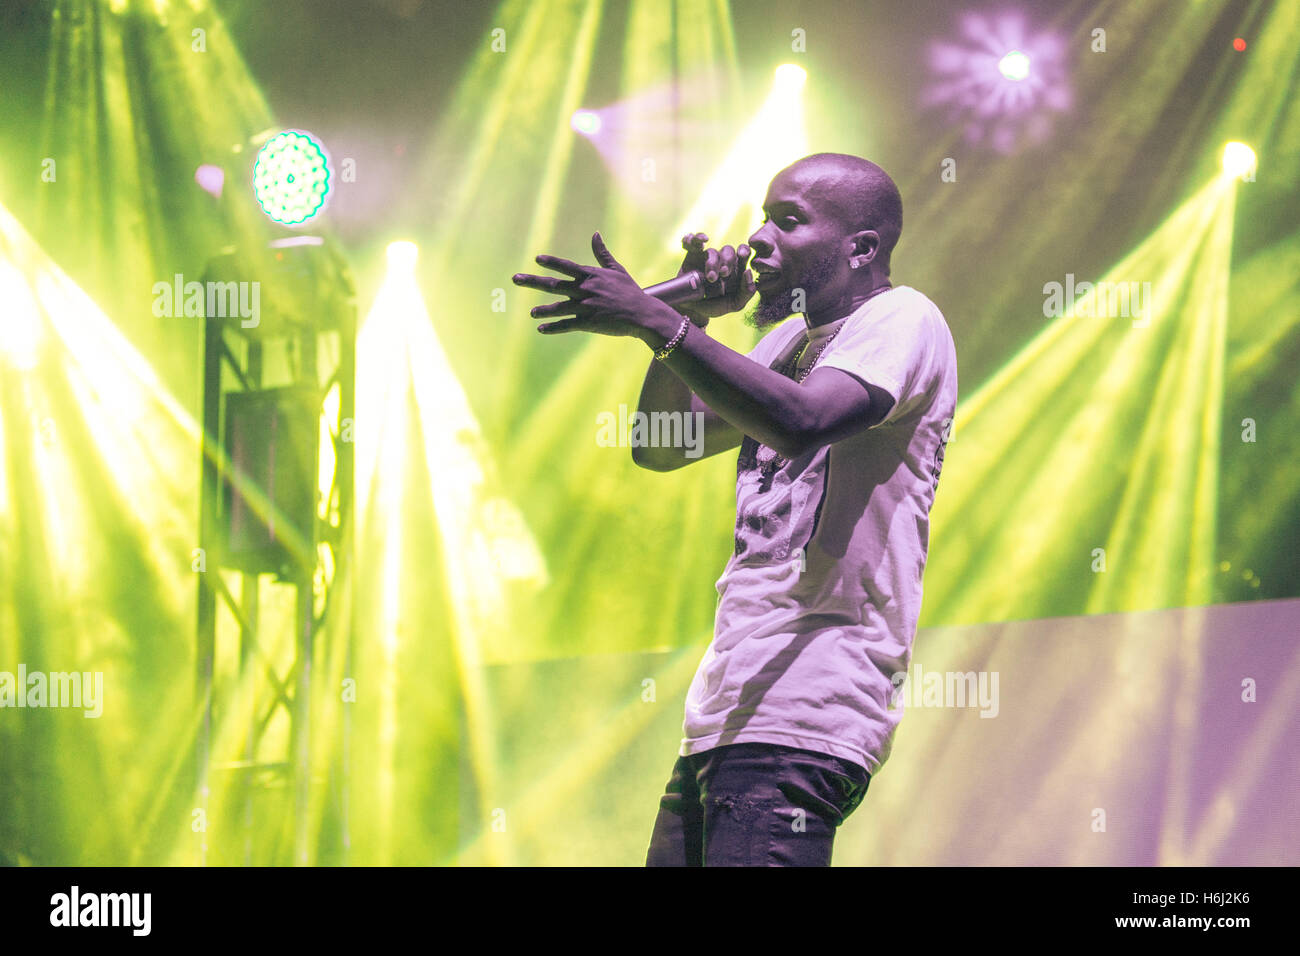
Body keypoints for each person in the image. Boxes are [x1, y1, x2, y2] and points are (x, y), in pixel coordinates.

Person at [512, 152, 958, 866]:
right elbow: (663, 444)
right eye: (761, 218)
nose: (757, 239)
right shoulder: (786, 341)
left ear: (862, 247)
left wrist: (663, 325)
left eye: (788, 222)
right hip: (726, 713)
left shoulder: (902, 319)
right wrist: (684, 319)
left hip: (810, 705)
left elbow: (804, 421)